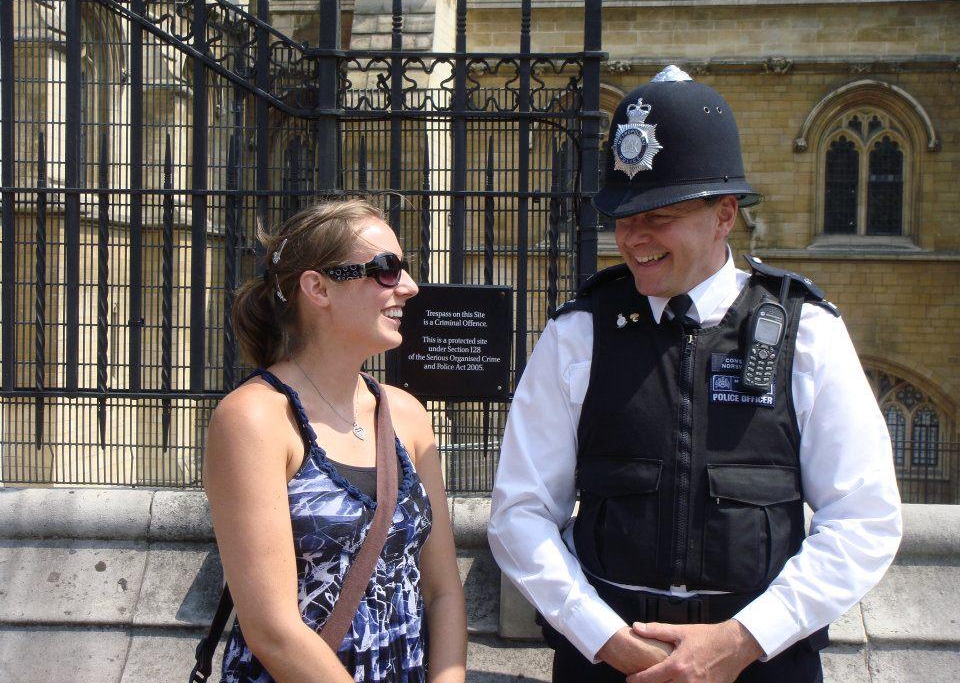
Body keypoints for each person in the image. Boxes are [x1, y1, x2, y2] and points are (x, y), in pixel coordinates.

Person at [488, 66, 902, 683]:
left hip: (762, 664)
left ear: (724, 215)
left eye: (660, 215)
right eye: (624, 216)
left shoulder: (803, 331)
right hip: (608, 663)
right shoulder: (577, 334)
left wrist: (742, 640)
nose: (634, 238)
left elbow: (864, 515)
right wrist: (608, 640)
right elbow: (520, 511)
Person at [204, 198, 467, 683]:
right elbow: (272, 630)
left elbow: (444, 591)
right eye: (386, 270)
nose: (409, 287)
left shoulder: (405, 414)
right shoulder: (254, 419)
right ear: (317, 288)